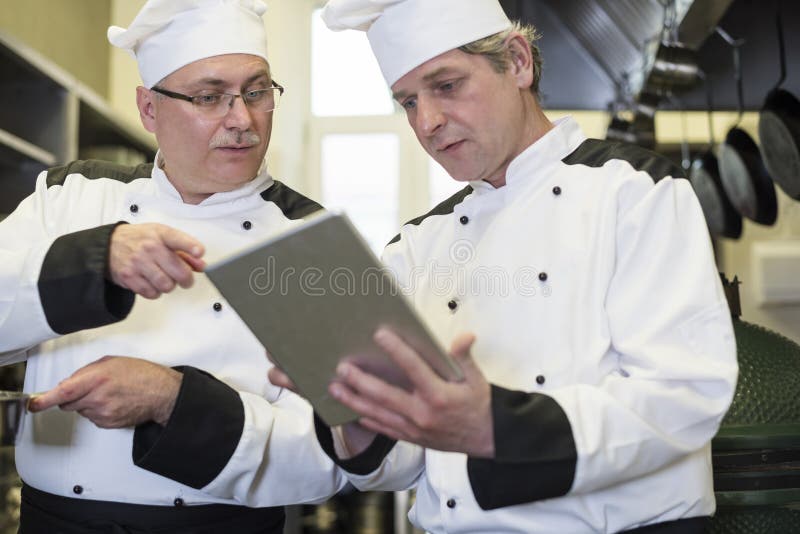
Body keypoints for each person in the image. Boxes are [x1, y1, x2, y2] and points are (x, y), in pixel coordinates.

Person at [269, 0, 739, 532]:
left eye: (446, 85)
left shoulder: (634, 192)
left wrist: (493, 428)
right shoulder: (418, 244)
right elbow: (399, 467)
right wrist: (352, 415)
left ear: (517, 61)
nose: (427, 122)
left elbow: (684, 398)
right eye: (407, 102)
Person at [0, 1, 346, 532]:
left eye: (257, 92)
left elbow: (337, 459)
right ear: (149, 110)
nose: (242, 120)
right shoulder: (72, 197)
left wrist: (173, 403)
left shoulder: (309, 244)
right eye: (210, 97)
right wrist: (91, 262)